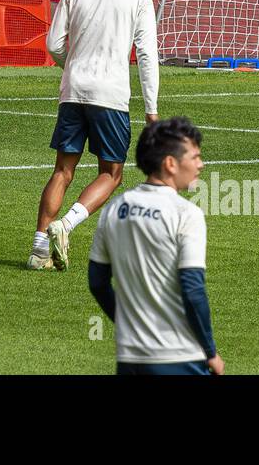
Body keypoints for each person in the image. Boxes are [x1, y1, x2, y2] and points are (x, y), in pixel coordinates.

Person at [31, 0, 159, 271]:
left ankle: (38, 250)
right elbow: (147, 55)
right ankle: (66, 225)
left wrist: (71, 67)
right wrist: (151, 109)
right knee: (112, 173)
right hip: (110, 95)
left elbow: (54, 44)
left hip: (73, 90)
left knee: (62, 170)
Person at [88, 116, 223, 375]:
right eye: (195, 157)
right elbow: (193, 290)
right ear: (170, 163)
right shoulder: (186, 214)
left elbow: (97, 282)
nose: (201, 164)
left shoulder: (114, 209)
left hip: (130, 358)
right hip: (180, 356)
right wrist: (210, 351)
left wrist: (127, 323)